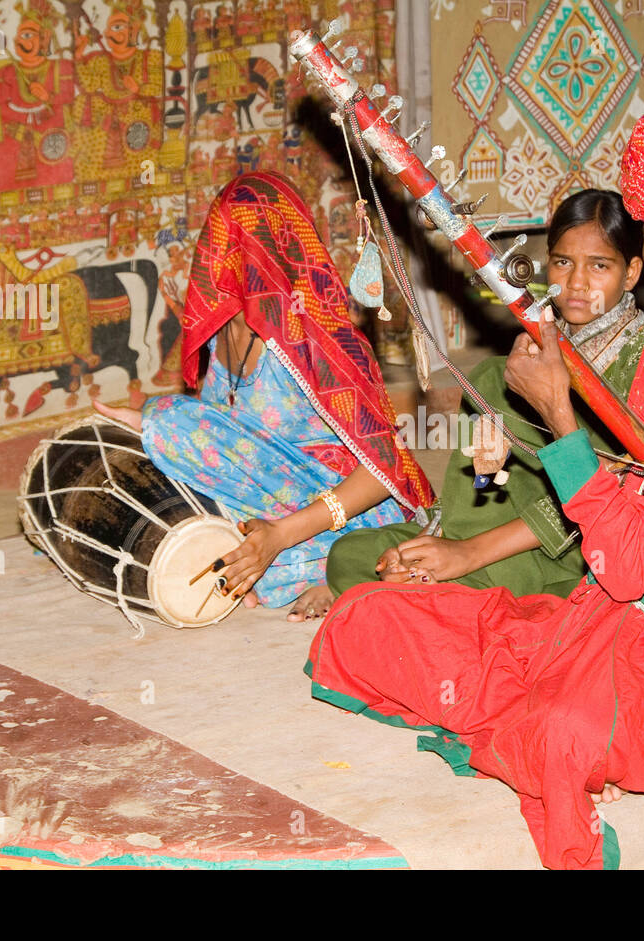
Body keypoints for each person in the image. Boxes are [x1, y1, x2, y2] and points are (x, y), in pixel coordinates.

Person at [305, 80, 644, 869]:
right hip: (605, 622)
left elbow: (636, 559)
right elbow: (618, 523)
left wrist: (560, 420)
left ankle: (603, 736)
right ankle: (596, 726)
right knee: (369, 618)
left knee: (555, 734)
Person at [95, 172, 434, 621]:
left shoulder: (319, 338)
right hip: (269, 501)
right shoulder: (218, 334)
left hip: (350, 511)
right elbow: (230, 446)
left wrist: (278, 535)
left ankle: (334, 568)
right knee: (170, 476)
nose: (230, 255)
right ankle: (301, 567)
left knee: (172, 418)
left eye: (247, 241)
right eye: (223, 240)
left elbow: (382, 473)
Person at [325, 188, 644, 599]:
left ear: (632, 272)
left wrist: (469, 554)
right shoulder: (516, 362)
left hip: (561, 555)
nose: (577, 282)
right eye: (564, 262)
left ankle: (422, 604)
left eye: (600, 265)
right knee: (350, 555)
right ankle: (419, 598)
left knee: (437, 597)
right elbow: (473, 491)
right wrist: (433, 541)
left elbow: (611, 494)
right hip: (477, 535)